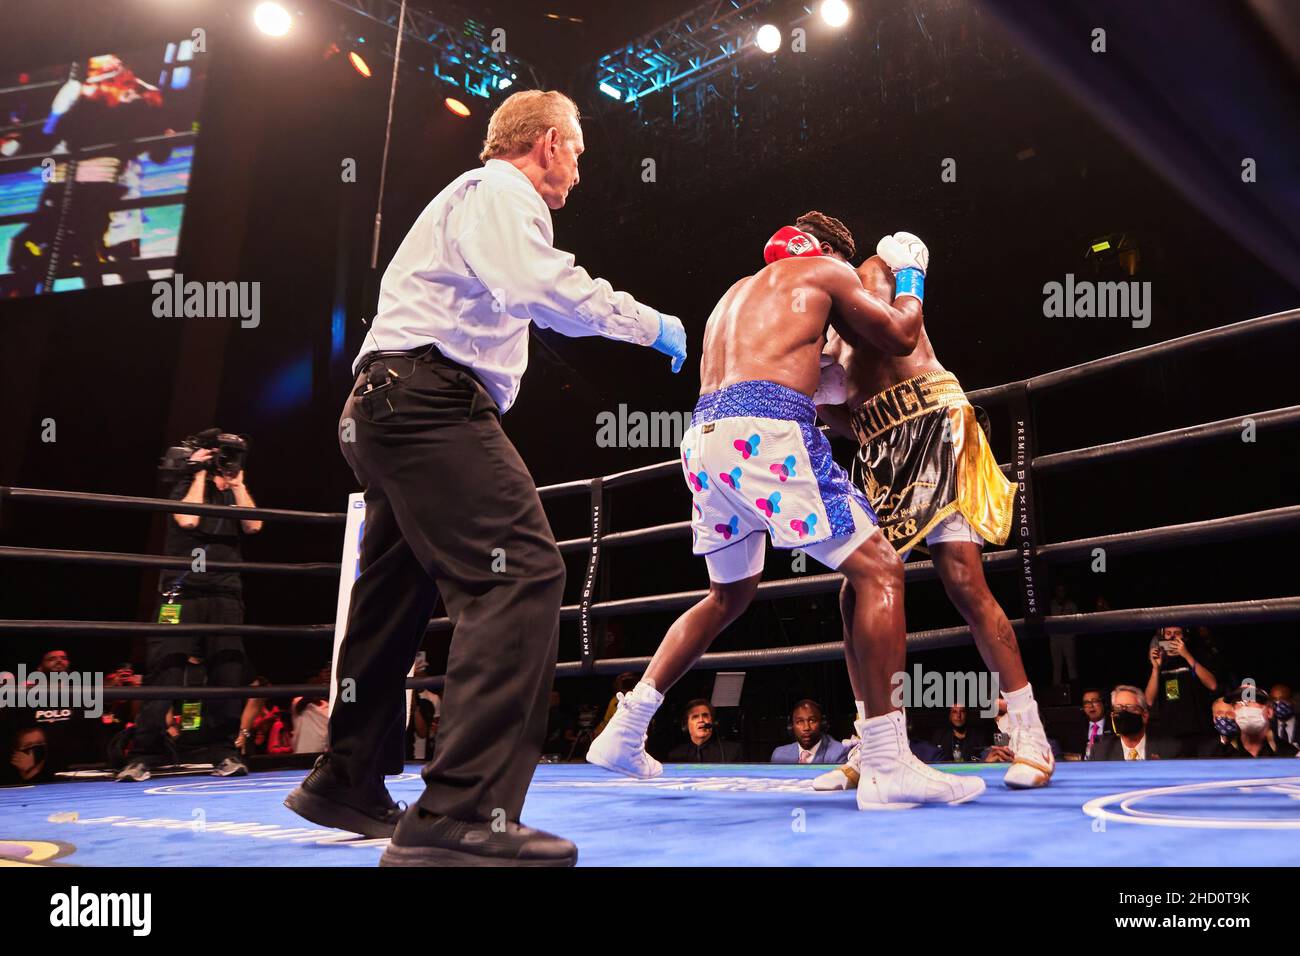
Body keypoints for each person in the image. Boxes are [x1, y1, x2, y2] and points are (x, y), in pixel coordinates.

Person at [284, 90, 685, 867]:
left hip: (383, 408)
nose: (578, 172)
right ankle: (463, 812)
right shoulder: (501, 191)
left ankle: (348, 777)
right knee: (523, 573)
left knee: (392, 601)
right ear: (546, 144)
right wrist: (648, 323)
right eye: (576, 151)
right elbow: (540, 289)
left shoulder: (468, 200)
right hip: (427, 403)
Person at [588, 213, 985, 809]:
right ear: (830, 253)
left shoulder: (736, 294)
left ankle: (626, 725)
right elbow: (902, 335)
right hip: (764, 431)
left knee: (729, 595)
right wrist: (911, 274)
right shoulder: (826, 271)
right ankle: (885, 763)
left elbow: (796, 377)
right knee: (880, 570)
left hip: (703, 438)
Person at [813, 242, 1054, 790]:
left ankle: (1029, 735)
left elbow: (894, 334)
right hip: (880, 446)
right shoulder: (821, 327)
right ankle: (872, 744)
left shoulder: (869, 274)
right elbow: (845, 419)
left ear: (828, 253)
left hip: (930, 420)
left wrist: (908, 279)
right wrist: (821, 377)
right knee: (854, 594)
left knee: (963, 579)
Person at [119, 441, 261, 782]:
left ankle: (224, 750)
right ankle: (145, 752)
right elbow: (188, 519)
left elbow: (254, 525)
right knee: (166, 666)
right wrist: (198, 474)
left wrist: (238, 483)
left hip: (225, 593)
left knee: (227, 669)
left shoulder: (233, 492)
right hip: (180, 593)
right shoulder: (185, 488)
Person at [1144, 625, 1219, 757]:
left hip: (1198, 732)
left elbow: (1212, 685)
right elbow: (1149, 700)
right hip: (1170, 735)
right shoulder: (1160, 661)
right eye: (1168, 633)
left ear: (1184, 636)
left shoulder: (1196, 654)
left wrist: (1187, 656)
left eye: (1177, 633)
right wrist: (1155, 668)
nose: (1172, 636)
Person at [1090, 686, 1180, 760]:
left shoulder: (1170, 750)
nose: (1124, 713)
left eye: (1130, 708)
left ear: (1144, 715)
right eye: (1118, 708)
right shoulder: (1100, 753)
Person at [770, 699, 850, 764]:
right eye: (800, 721)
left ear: (822, 724)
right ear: (791, 727)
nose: (806, 727)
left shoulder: (839, 753)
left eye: (812, 721)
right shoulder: (779, 755)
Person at [666, 700, 741, 763]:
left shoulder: (732, 751)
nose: (701, 720)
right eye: (695, 717)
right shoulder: (676, 755)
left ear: (712, 722)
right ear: (686, 725)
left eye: (705, 715)